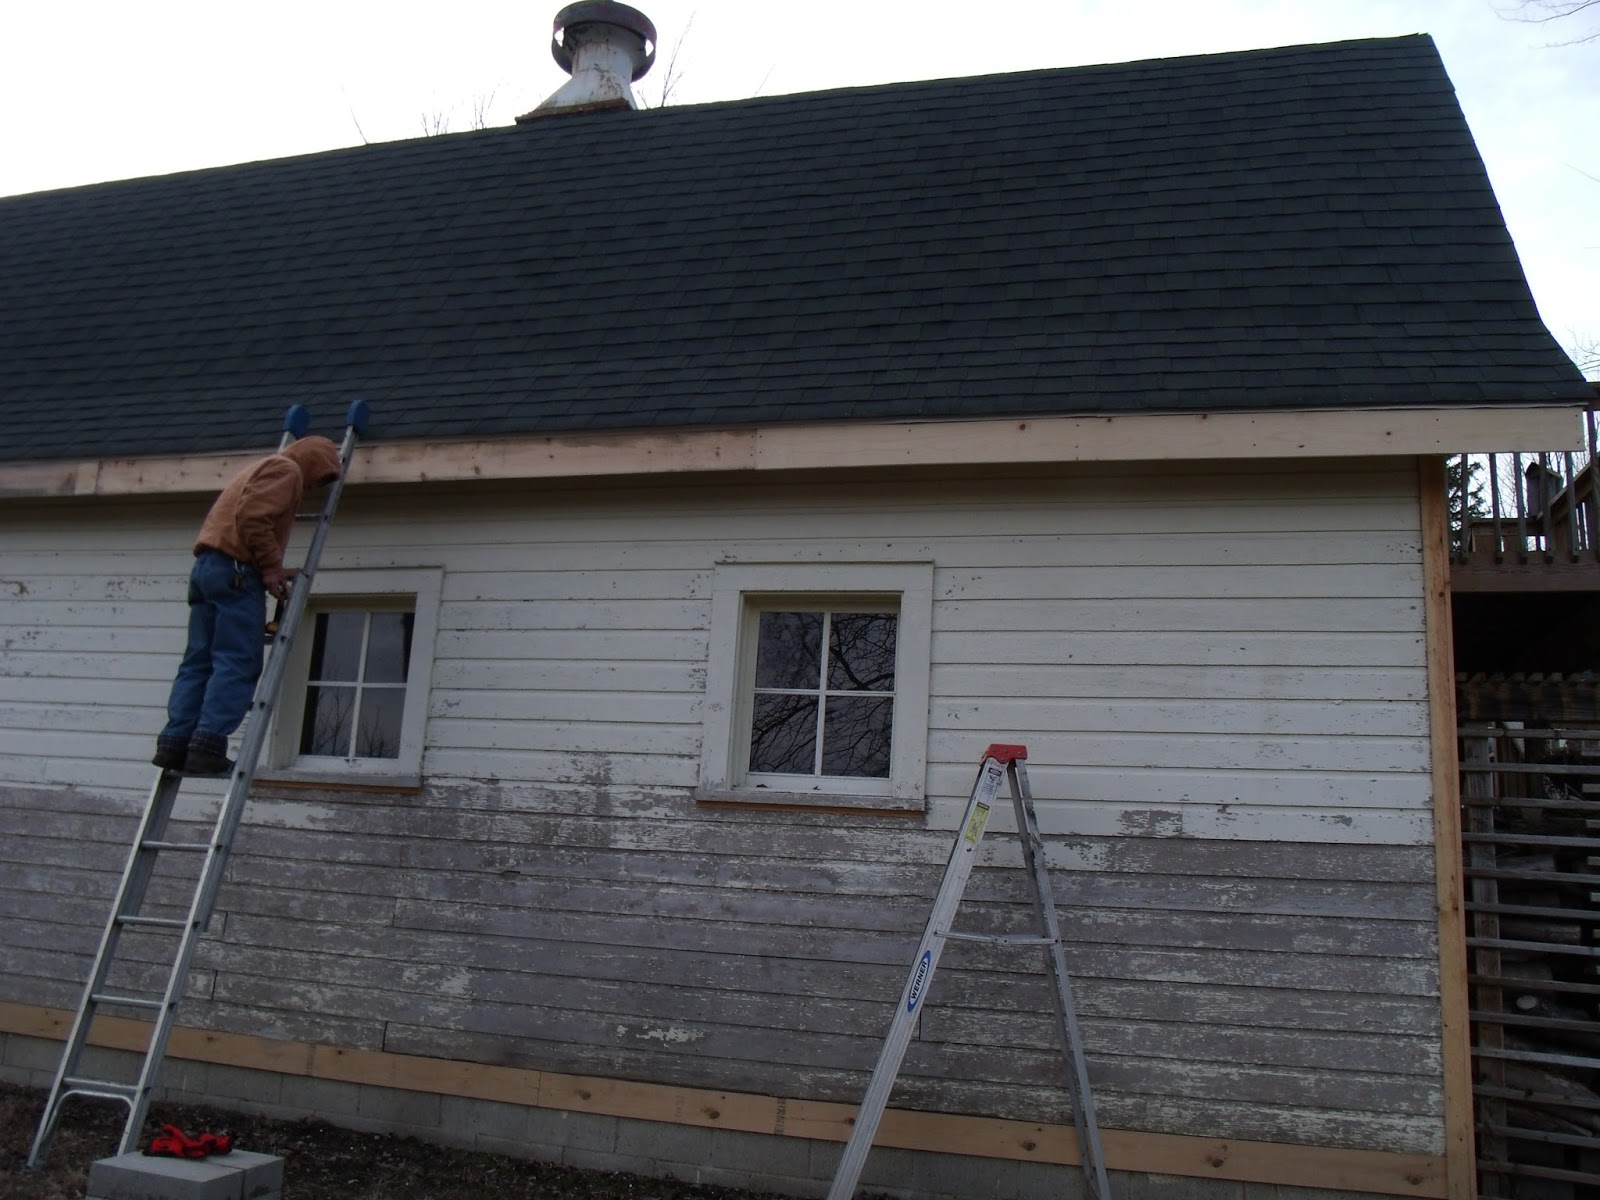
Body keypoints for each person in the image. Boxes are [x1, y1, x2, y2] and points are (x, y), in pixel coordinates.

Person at [153, 436, 343, 775]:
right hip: (237, 574)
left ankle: (175, 743)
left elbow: (241, 524)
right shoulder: (287, 470)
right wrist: (270, 567)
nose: (314, 486)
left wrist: (268, 565)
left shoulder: (260, 467)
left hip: (210, 569)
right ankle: (207, 745)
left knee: (199, 661)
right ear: (313, 461)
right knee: (236, 660)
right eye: (320, 477)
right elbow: (254, 518)